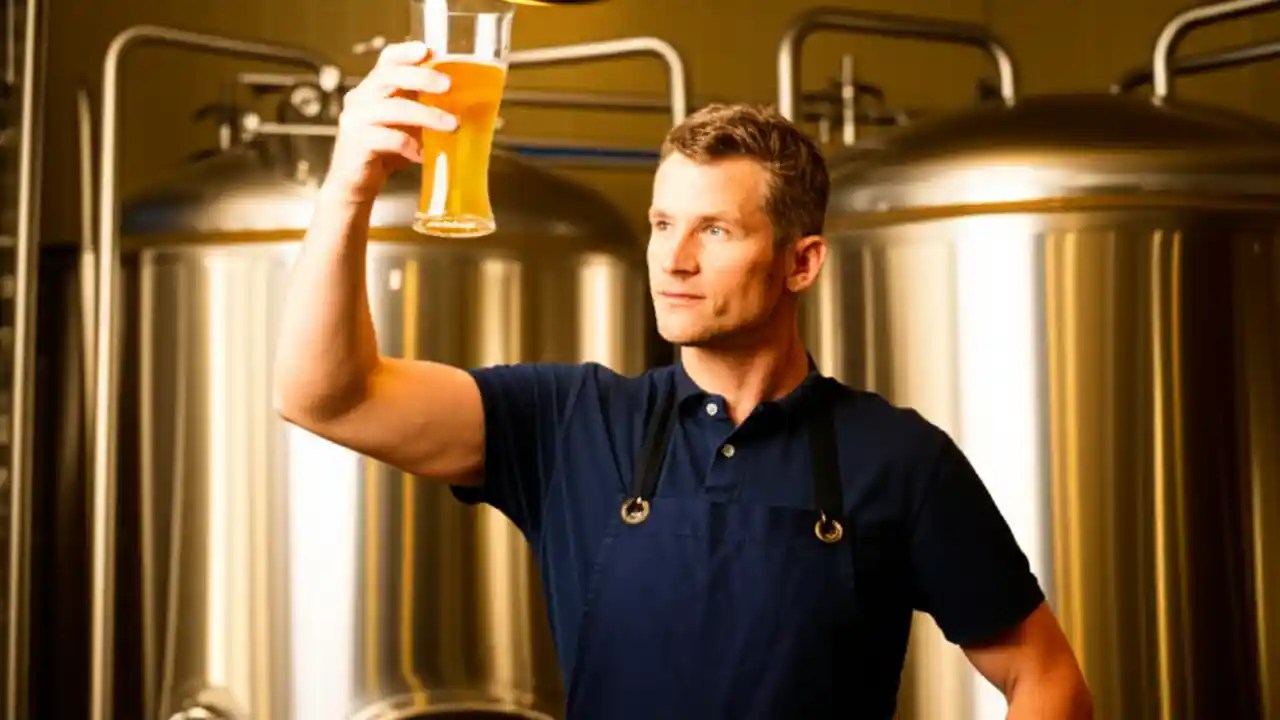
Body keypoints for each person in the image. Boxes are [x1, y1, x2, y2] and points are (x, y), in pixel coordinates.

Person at [274, 40, 1093, 719]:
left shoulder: (898, 458)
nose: (674, 257)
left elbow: (1046, 678)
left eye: (715, 229)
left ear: (800, 263)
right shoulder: (568, 423)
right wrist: (352, 181)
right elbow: (324, 396)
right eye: (663, 223)